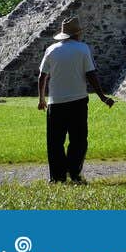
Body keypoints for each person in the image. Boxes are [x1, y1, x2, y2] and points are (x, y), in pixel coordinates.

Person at [36, 16, 115, 184]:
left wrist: (41, 98)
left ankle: (57, 177)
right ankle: (74, 173)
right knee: (78, 140)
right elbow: (91, 74)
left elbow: (42, 76)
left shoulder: (51, 50)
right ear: (77, 34)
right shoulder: (83, 49)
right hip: (78, 101)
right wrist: (102, 97)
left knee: (55, 142)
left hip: (55, 102)